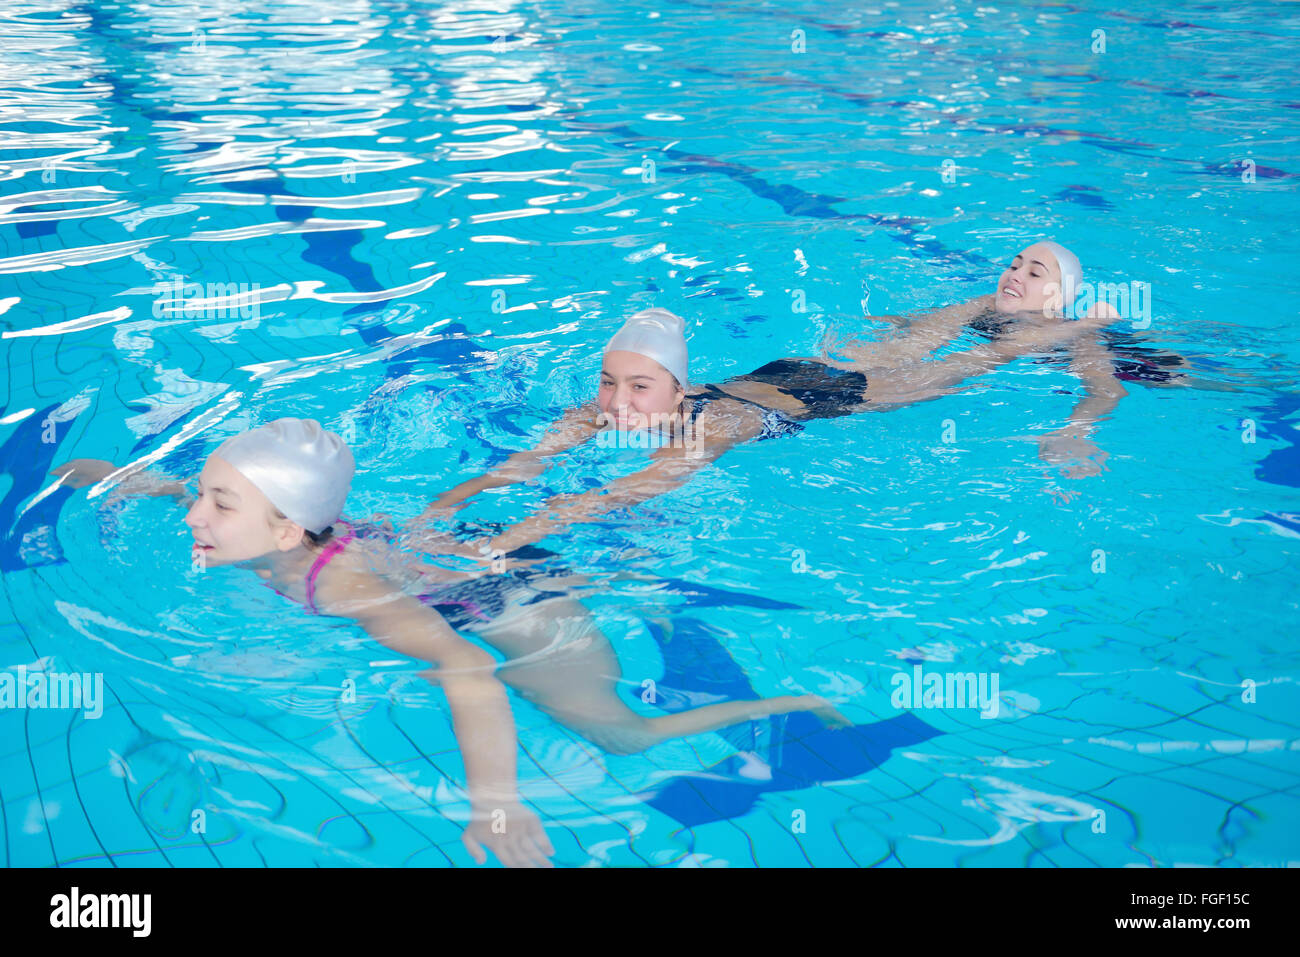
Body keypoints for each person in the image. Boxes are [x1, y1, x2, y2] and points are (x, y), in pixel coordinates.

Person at [51, 419, 848, 866]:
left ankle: (787, 701)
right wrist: (116, 477)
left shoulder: (339, 584)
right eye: (199, 495)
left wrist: (495, 803)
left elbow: (466, 663)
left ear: (287, 527)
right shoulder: (262, 531)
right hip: (456, 563)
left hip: (519, 601)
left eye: (216, 504)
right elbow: (173, 493)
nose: (195, 515)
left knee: (620, 733)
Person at [417, 241, 1135, 556]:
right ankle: (1016, 318)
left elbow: (617, 496)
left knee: (975, 360)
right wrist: (447, 506)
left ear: (672, 389)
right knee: (942, 331)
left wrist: (503, 544)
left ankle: (1060, 326)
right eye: (611, 382)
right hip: (787, 366)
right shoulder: (606, 405)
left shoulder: (711, 427)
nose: (616, 402)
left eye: (637, 387)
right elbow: (521, 466)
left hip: (846, 394)